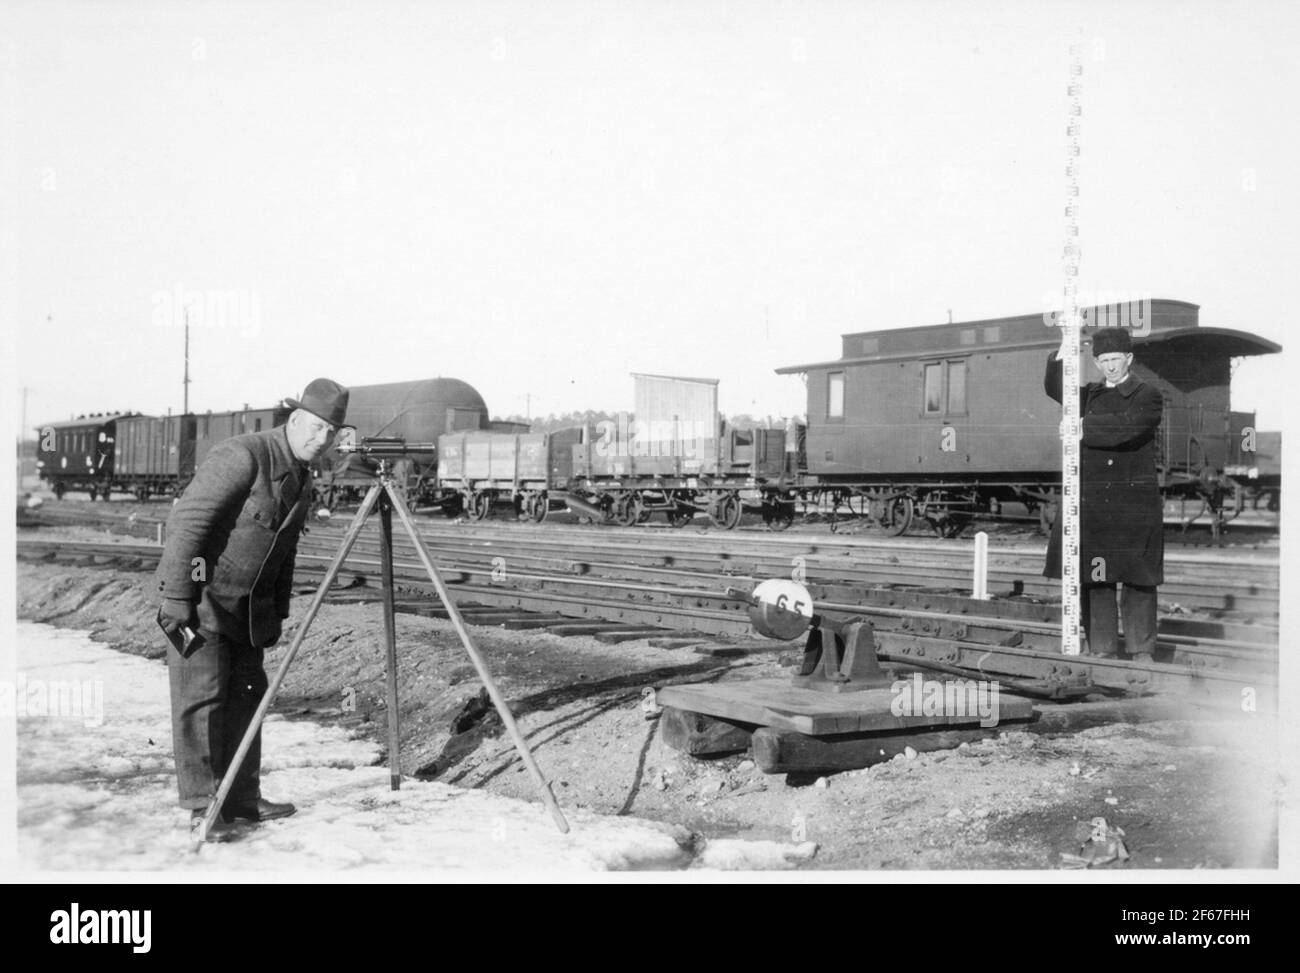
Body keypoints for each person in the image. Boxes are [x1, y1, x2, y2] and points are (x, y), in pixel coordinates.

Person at [156, 378, 348, 838]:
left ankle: (242, 797)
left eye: (331, 433)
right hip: (202, 599)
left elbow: (285, 550)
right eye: (316, 427)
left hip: (246, 610)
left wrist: (277, 609)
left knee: (246, 698)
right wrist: (177, 596)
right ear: (296, 419)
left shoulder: (301, 476)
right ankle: (204, 808)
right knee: (202, 700)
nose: (321, 440)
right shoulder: (244, 455)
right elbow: (189, 521)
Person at [1044, 329, 1163, 660]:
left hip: (1133, 503)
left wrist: (1082, 428)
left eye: (1116, 360)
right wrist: (1063, 351)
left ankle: (1142, 651)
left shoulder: (1147, 393)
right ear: (1096, 362)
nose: (1110, 367)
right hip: (1095, 502)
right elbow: (1056, 387)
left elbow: (1130, 425)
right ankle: (1102, 649)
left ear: (1129, 359)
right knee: (1096, 577)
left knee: (1139, 579)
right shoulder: (1089, 395)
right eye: (1104, 361)